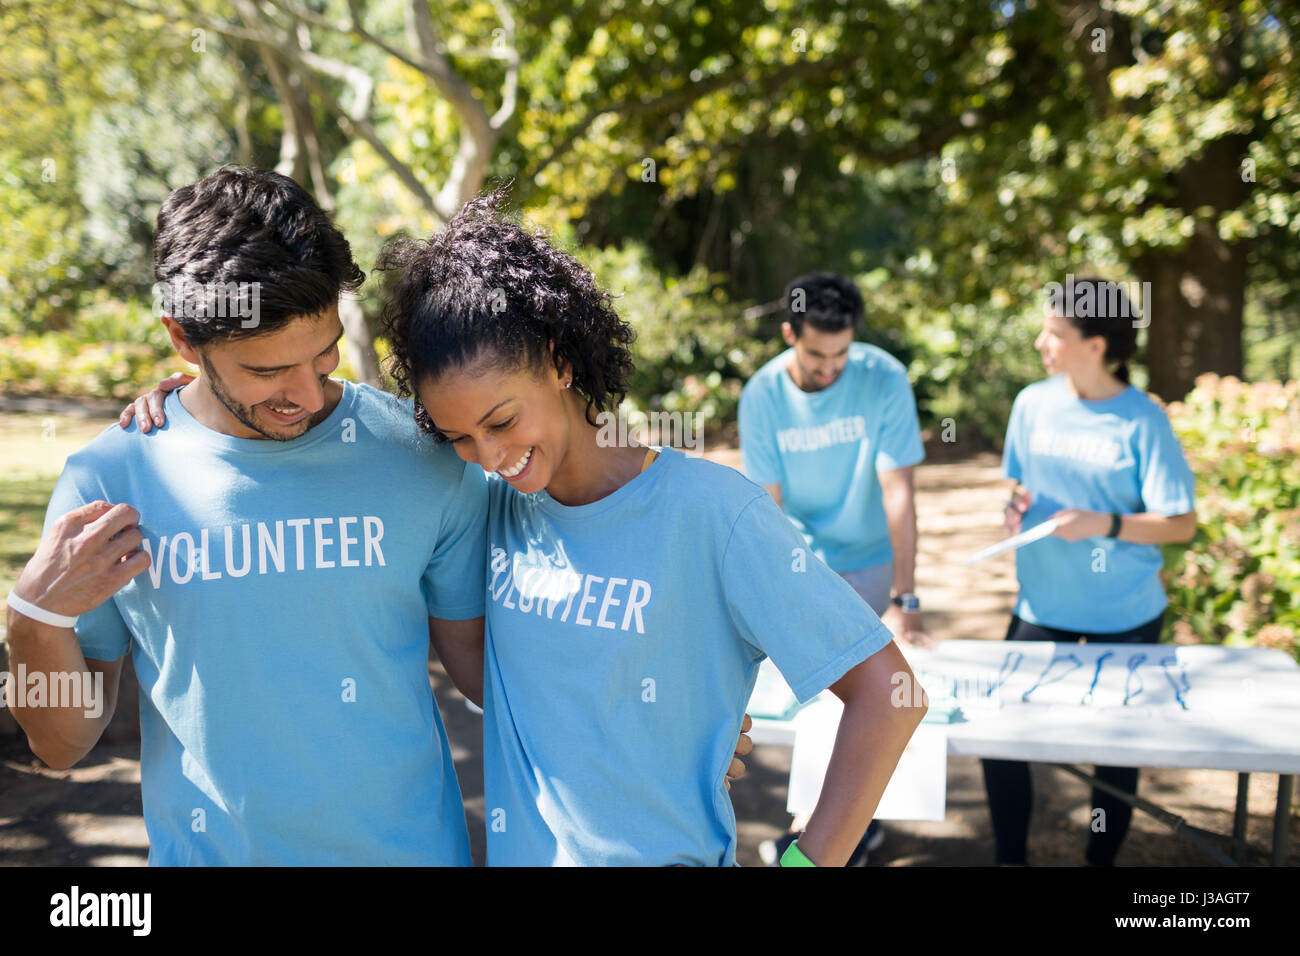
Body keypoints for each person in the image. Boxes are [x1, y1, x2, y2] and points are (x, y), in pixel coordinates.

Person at [366, 189, 928, 866]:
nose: (489, 457)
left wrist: (808, 862)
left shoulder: (716, 513)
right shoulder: (492, 508)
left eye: (502, 421)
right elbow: (521, 686)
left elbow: (889, 695)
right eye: (458, 437)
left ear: (559, 362)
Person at [6, 166, 492, 864]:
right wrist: (31, 618)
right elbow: (60, 744)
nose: (303, 393)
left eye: (322, 355)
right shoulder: (108, 482)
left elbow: (490, 675)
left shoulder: (421, 453)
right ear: (182, 339)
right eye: (266, 372)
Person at [982, 276, 1197, 866]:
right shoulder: (1032, 403)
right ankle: (1009, 860)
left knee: (1113, 752)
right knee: (998, 738)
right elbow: (1023, 488)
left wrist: (1104, 524)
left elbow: (1180, 524)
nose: (1039, 343)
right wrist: (1017, 509)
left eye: (1054, 333)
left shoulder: (1142, 421)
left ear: (1096, 344)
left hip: (1124, 614)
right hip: (1041, 606)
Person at [738, 272, 931, 864]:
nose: (830, 368)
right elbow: (767, 510)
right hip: (805, 564)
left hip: (873, 562)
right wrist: (780, 598)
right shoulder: (763, 395)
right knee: (816, 700)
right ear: (790, 333)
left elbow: (899, 491)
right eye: (817, 354)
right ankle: (825, 843)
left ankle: (833, 841)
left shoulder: (883, 377)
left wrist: (907, 598)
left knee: (880, 697)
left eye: (841, 352)